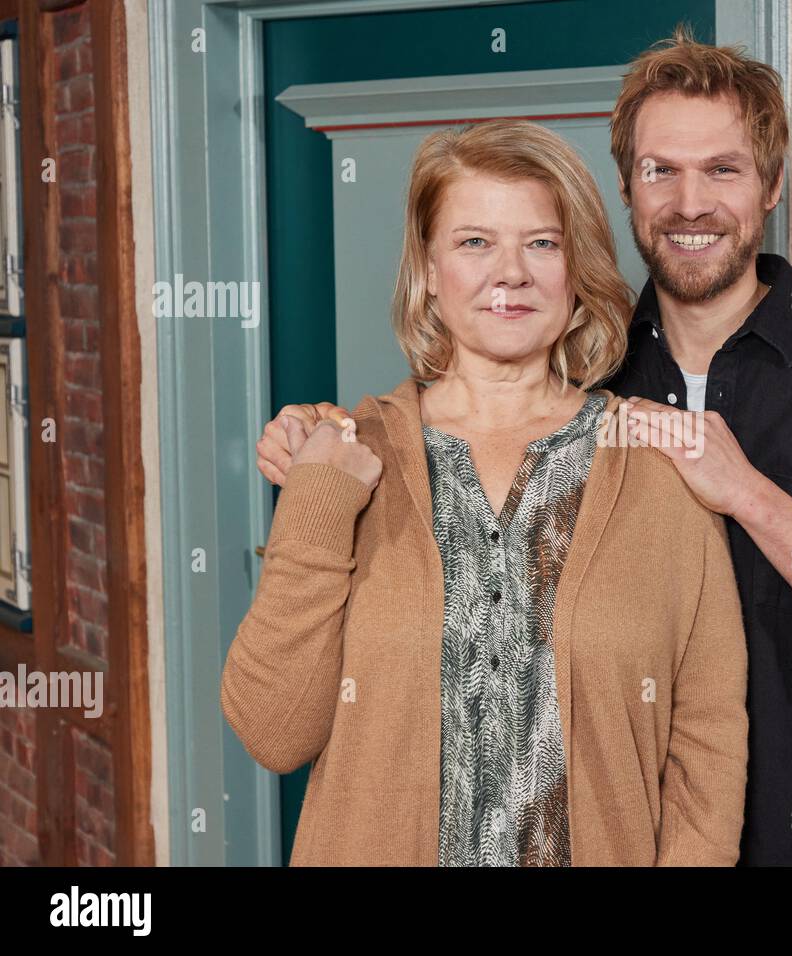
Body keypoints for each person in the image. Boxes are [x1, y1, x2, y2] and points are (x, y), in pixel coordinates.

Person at [257, 27, 792, 866]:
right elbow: (448, 419)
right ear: (627, 190)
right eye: (660, 171)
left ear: (773, 184)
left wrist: (745, 491)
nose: (689, 203)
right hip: (629, 836)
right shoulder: (586, 373)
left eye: (722, 169)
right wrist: (318, 435)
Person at [222, 119, 749, 866]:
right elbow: (274, 732)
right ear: (430, 270)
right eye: (474, 243)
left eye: (542, 242)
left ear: (577, 269)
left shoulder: (660, 462)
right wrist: (313, 503)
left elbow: (708, 742)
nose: (512, 273)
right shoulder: (346, 456)